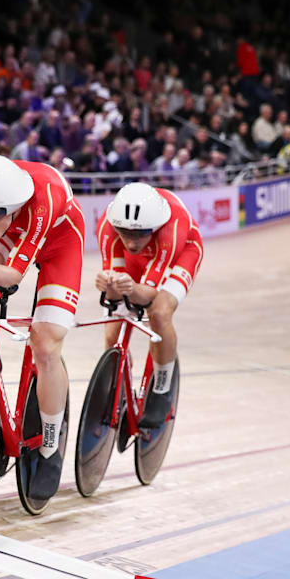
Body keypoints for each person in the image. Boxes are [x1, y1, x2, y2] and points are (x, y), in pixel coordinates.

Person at [0, 154, 84, 500]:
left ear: (13, 206)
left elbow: (13, 276)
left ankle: (49, 442)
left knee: (45, 346)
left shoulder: (43, 197)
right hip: (14, 233)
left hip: (60, 244)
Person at [94, 182, 203, 429]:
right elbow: (115, 295)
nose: (132, 242)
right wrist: (108, 283)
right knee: (113, 333)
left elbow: (149, 295)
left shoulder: (172, 230)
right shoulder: (107, 227)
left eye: (140, 233)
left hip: (181, 253)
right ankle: (118, 389)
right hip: (137, 262)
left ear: (154, 227)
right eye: (126, 233)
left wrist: (130, 288)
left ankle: (162, 388)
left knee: (160, 312)